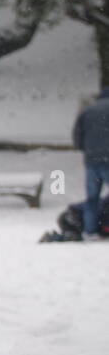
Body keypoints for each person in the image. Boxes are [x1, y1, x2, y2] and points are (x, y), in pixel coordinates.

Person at [73, 86, 109, 240]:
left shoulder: (88, 111)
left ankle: (90, 231)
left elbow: (77, 135)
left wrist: (87, 149)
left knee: (92, 198)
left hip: (92, 161)